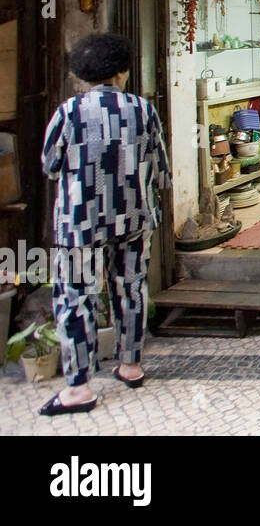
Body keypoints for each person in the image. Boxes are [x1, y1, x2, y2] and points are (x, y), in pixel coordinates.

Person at [37, 33, 170, 416]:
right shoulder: (143, 110)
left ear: (83, 73)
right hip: (132, 216)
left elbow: (49, 165)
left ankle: (78, 388)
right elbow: (160, 168)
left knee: (75, 296)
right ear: (122, 71)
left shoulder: (68, 112)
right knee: (130, 287)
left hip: (79, 221)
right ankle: (130, 366)